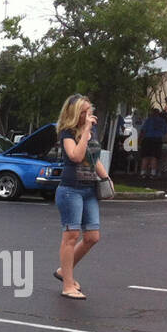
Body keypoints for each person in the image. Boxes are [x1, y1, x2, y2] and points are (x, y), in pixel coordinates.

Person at [54, 93, 110, 300]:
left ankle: (63, 271)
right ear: (75, 113)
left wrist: (106, 178)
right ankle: (68, 285)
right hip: (71, 189)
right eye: (84, 112)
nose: (88, 115)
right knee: (70, 236)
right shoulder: (66, 132)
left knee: (92, 237)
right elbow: (76, 156)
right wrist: (86, 130)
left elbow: (93, 158)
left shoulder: (92, 130)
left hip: (89, 189)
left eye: (90, 111)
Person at [139, 109, 167, 178]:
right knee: (154, 157)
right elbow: (166, 132)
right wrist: (165, 140)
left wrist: (140, 139)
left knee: (145, 156)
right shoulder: (162, 121)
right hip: (157, 140)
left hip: (148, 139)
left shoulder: (148, 120)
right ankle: (153, 173)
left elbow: (143, 131)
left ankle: (143, 173)